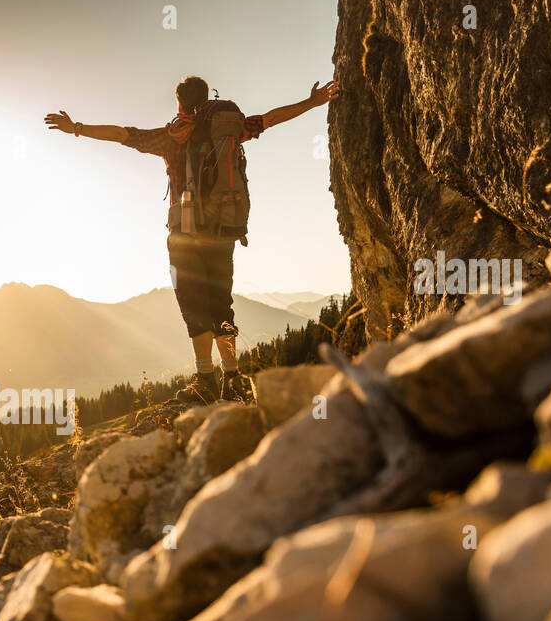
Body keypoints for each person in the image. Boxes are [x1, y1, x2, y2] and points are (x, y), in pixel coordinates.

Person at [45, 75, 339, 405]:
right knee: (221, 304)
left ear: (180, 104)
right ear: (208, 101)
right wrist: (311, 102)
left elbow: (121, 135)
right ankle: (233, 378)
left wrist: (77, 128)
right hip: (223, 232)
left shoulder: (171, 138)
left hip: (184, 237)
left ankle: (205, 381)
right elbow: (270, 118)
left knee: (193, 306)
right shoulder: (228, 131)